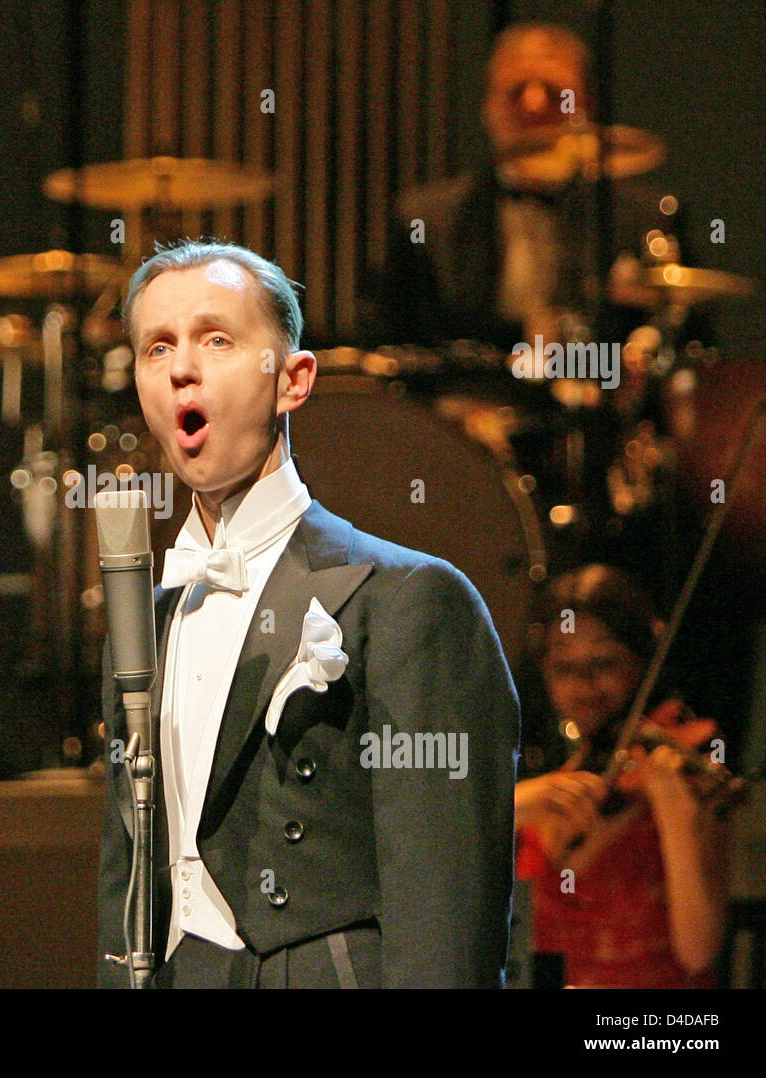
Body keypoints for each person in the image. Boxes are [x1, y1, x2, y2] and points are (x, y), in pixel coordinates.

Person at [96, 240, 520, 988]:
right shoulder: (146, 622)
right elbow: (127, 878)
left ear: (293, 380)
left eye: (216, 339)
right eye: (157, 347)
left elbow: (444, 908)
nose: (181, 366)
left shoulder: (409, 600)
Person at [371, 21, 677, 354]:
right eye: (515, 91)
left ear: (585, 108)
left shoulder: (642, 217)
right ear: (488, 108)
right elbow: (395, 346)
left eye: (555, 92)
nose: (534, 105)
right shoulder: (426, 221)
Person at [514, 564, 727, 988]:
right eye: (564, 667)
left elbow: (698, 952)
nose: (584, 684)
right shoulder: (549, 791)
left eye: (604, 661)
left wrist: (674, 813)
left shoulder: (681, 774)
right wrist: (511, 806)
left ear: (641, 662)